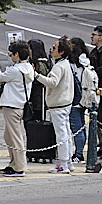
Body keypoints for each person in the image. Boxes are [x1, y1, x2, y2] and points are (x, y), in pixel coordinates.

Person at [0, 40, 38, 178]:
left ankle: (19, 167)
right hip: (20, 105)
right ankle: (13, 163)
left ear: (17, 54)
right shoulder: (28, 68)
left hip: (12, 106)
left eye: (11, 54)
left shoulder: (15, 70)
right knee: (9, 136)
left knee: (15, 137)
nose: (11, 56)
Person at [32, 38, 76, 173]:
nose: (52, 49)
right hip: (65, 103)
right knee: (66, 132)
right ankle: (67, 161)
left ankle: (63, 163)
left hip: (58, 104)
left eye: (55, 47)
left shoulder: (59, 66)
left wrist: (36, 75)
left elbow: (52, 82)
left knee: (61, 133)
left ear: (61, 52)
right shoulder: (65, 64)